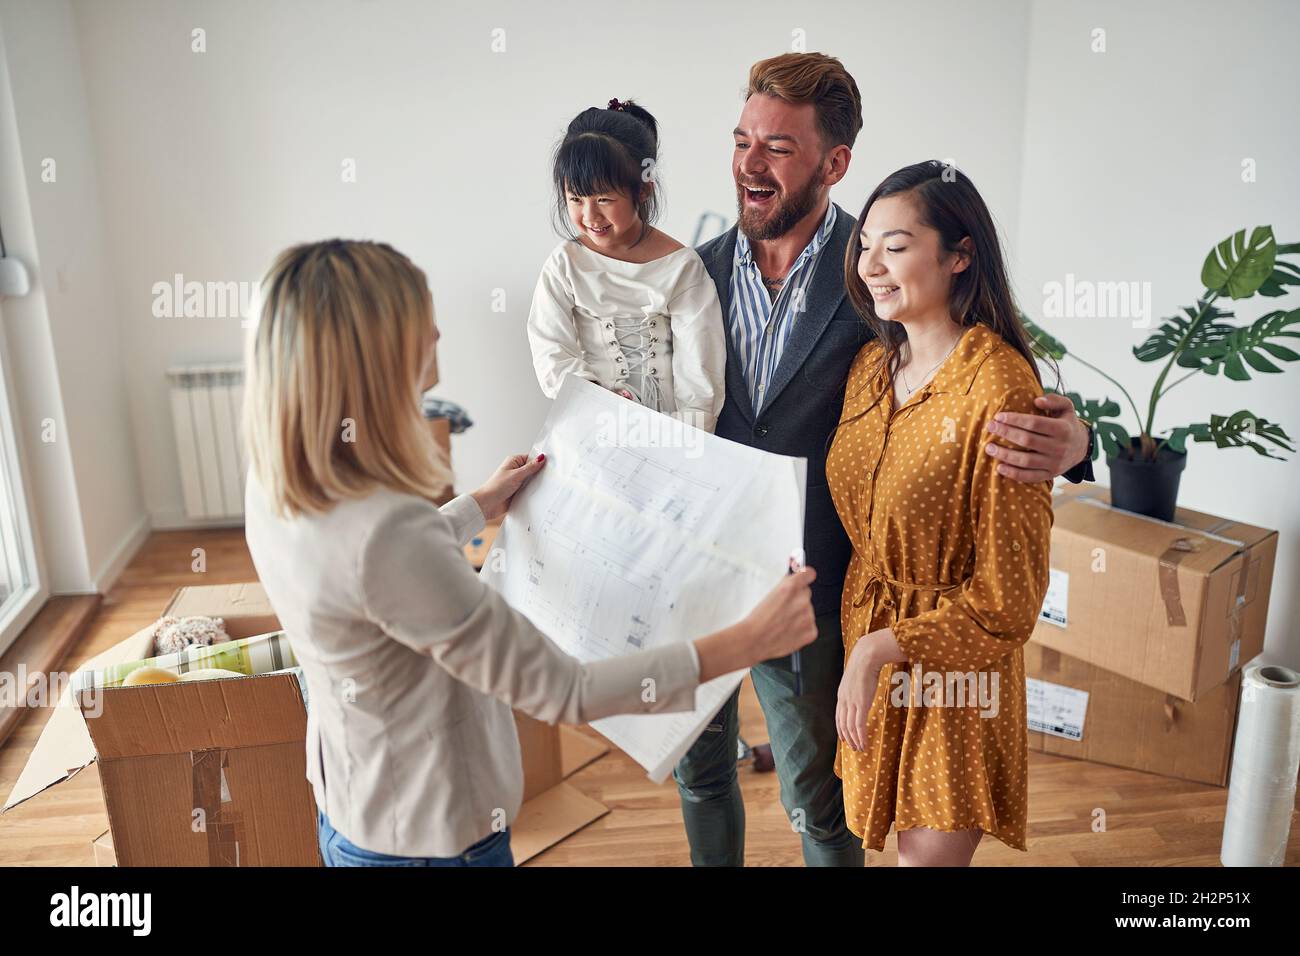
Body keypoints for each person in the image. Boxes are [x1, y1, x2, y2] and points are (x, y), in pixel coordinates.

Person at [241, 239, 817, 866]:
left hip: (351, 805)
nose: (436, 331)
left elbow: (366, 576)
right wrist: (746, 640)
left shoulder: (278, 483)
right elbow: (562, 690)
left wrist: (475, 506)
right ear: (370, 357)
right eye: (419, 321)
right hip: (433, 842)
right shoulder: (388, 536)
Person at [677, 52, 1093, 867]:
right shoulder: (694, 275)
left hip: (827, 596)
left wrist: (1078, 445)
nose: (750, 166)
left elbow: (981, 378)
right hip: (705, 575)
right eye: (740, 142)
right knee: (700, 777)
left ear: (834, 163)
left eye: (778, 148)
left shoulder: (875, 290)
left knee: (822, 811)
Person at [831, 160, 1055, 865]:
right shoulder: (869, 369)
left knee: (924, 862)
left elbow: (1010, 601)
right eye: (865, 243)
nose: (870, 264)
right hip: (866, 645)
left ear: (960, 256)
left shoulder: (999, 387)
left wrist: (881, 650)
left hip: (956, 672)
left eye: (895, 247)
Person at [528, 98, 727, 432]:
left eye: (604, 199)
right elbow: (551, 351)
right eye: (576, 199)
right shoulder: (565, 264)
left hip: (669, 434)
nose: (590, 217)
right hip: (589, 425)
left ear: (644, 190)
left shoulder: (682, 268)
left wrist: (681, 437)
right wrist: (597, 401)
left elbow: (701, 376)